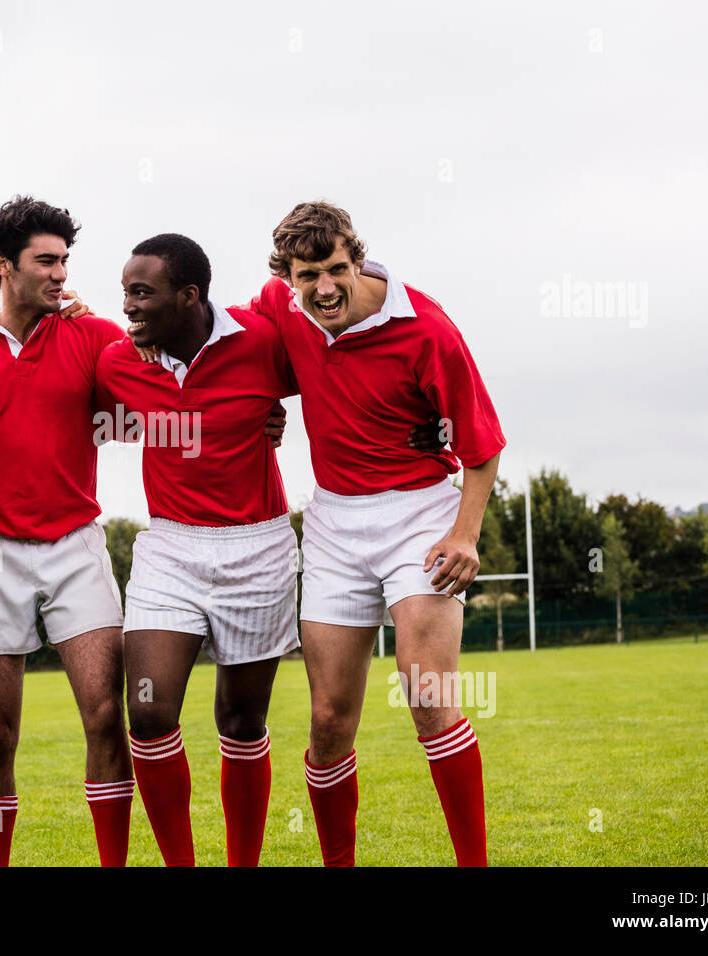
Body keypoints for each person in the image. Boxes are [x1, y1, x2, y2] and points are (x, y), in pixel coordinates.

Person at [248, 201, 506, 867]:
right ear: (286, 276)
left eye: (336, 269)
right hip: (333, 521)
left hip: (418, 514)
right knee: (329, 722)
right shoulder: (280, 307)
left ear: (357, 260)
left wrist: (465, 535)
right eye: (308, 276)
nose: (324, 288)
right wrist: (264, 407)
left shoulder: (426, 329)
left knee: (428, 699)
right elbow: (232, 352)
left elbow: (481, 444)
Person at [0, 196, 134, 867]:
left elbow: (146, 413)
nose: (60, 273)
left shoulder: (92, 336)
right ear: (2, 266)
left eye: (65, 260)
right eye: (46, 260)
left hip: (77, 545)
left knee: (106, 720)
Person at [95, 233, 299, 867]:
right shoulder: (117, 362)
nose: (128, 305)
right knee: (149, 712)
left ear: (188, 297)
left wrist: (429, 430)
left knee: (241, 723)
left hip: (258, 546)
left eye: (142, 293)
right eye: (125, 290)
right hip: (169, 548)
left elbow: (337, 372)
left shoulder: (264, 343)